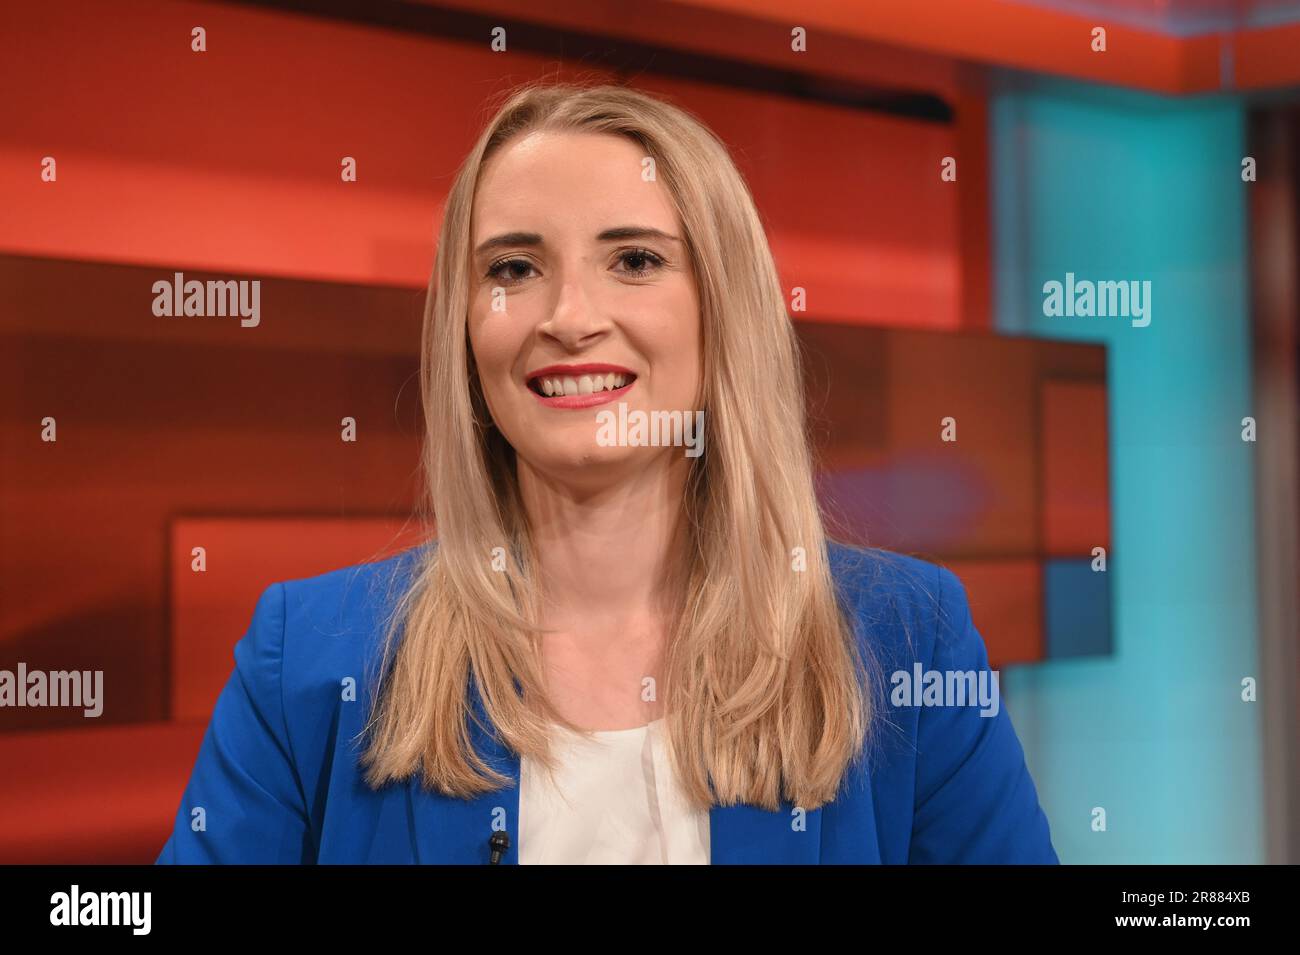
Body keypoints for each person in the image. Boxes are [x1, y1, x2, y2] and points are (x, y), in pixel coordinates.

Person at [157, 82, 1058, 864]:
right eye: (515, 267)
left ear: (723, 310)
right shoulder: (307, 658)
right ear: (466, 330)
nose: (569, 315)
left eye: (634, 260)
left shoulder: (909, 639)